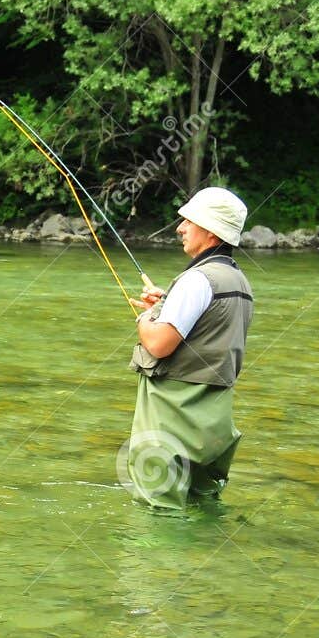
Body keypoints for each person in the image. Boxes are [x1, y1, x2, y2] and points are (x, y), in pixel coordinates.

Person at [123, 187, 254, 508]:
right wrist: (167, 305)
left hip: (172, 419)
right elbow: (207, 331)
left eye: (189, 221)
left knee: (159, 510)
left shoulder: (197, 280)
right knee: (202, 504)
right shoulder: (238, 281)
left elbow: (158, 344)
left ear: (210, 232)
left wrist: (144, 319)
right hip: (211, 425)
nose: (180, 227)